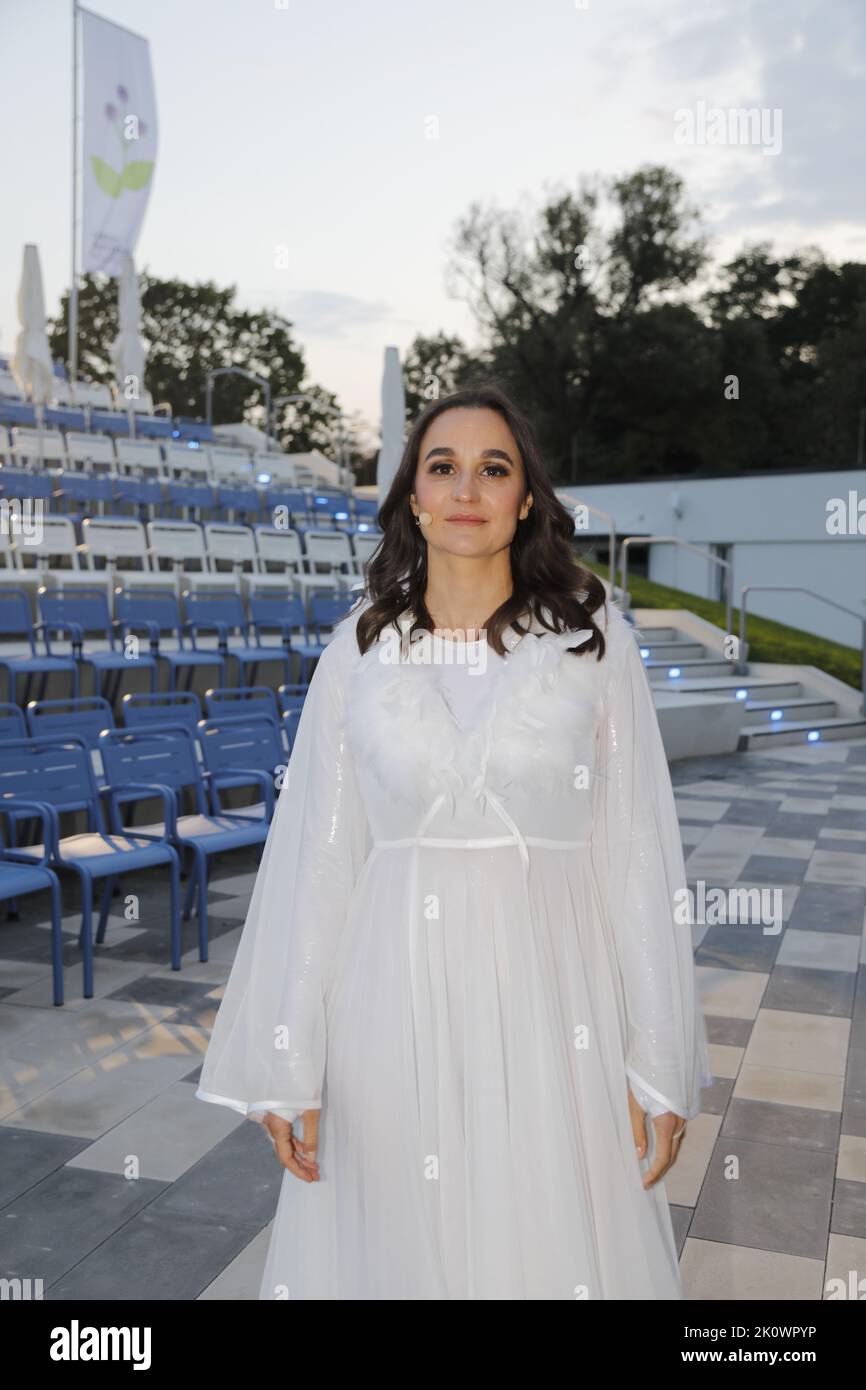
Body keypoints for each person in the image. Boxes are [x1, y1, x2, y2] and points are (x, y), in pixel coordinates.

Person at [195, 383, 713, 1300]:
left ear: (525, 500)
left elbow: (635, 855)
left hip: (559, 1007)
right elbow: (320, 863)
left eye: (493, 467)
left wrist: (660, 1058)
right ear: (413, 499)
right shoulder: (356, 651)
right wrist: (287, 1057)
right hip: (387, 1008)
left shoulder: (595, 642)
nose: (466, 487)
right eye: (443, 467)